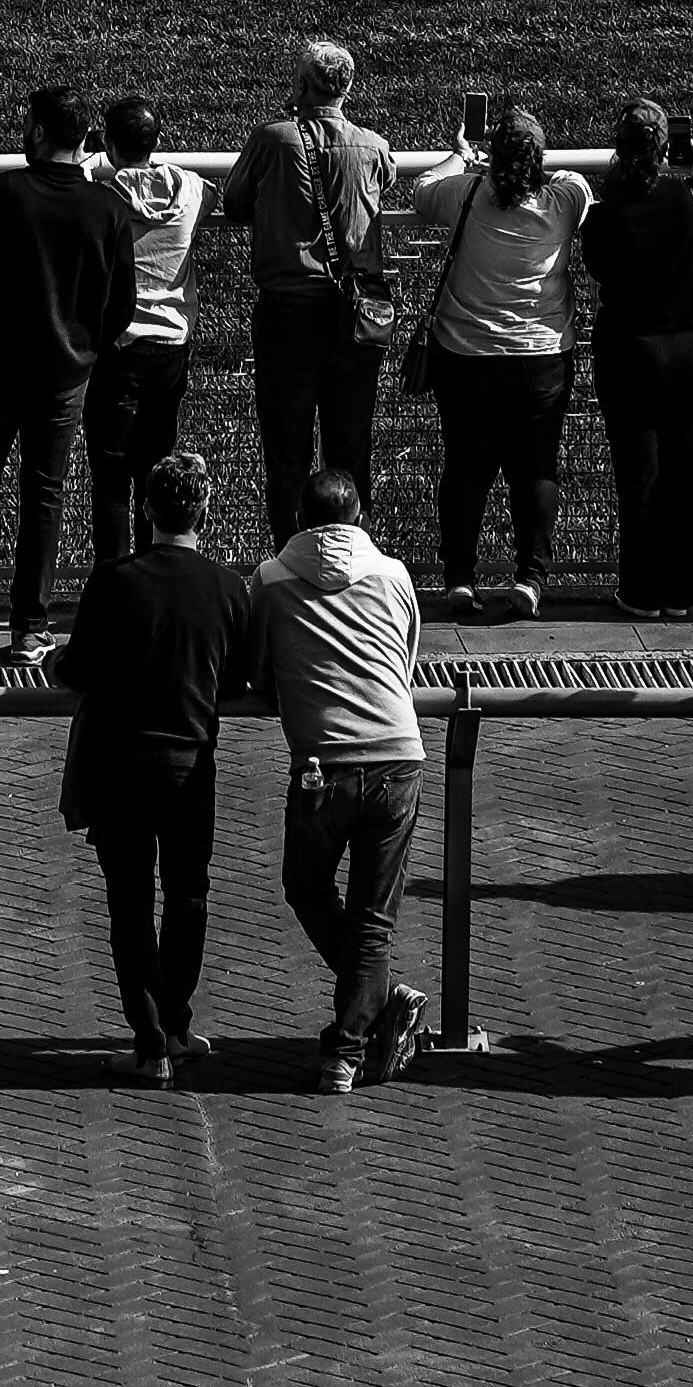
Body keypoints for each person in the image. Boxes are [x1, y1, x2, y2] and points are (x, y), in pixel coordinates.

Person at [55, 444, 253, 1080]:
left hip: (121, 765)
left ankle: (149, 1044)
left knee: (130, 902)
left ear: (146, 510)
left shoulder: (114, 580)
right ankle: (176, 1023)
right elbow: (237, 680)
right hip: (191, 764)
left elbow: (76, 669)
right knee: (188, 895)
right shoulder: (229, 588)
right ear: (206, 511)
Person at [0, 89, 138, 668]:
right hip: (66, 375)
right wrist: (87, 346)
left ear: (39, 132)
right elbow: (121, 304)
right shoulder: (107, 208)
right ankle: (30, 627)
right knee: (45, 495)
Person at [251, 464, 427, 1090]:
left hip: (321, 765)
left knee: (305, 886)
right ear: (360, 517)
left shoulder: (270, 580)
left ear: (299, 519)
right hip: (398, 757)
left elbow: (258, 673)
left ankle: (349, 1045)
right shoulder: (395, 574)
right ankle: (365, 1019)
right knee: (372, 918)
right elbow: (405, 660)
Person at [398, 98, 588, 618]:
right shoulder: (564, 200)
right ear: (537, 158)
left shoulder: (466, 193)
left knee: (465, 469)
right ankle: (530, 578)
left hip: (465, 356)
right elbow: (576, 181)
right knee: (536, 469)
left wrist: (461, 156)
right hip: (541, 358)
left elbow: (422, 190)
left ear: (493, 157)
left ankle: (460, 578)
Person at [582, 97, 693, 615]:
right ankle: (682, 592)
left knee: (639, 478)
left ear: (619, 151)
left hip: (631, 353)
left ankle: (642, 593)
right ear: (666, 149)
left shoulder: (606, 212)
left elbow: (598, 268)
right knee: (685, 475)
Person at [223, 38, 404, 533]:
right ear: (348, 88)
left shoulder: (273, 140)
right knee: (351, 445)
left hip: (288, 310)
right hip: (356, 312)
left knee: (287, 448)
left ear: (301, 85)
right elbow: (383, 180)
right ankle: (352, 552)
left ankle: (290, 555)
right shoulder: (372, 145)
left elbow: (235, 203)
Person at [88, 95, 203, 574]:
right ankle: (152, 574)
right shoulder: (190, 188)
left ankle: (114, 579)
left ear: (109, 141)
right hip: (172, 348)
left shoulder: (99, 192)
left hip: (119, 349)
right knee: (155, 470)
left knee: (111, 475)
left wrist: (98, 157)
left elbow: (80, 170)